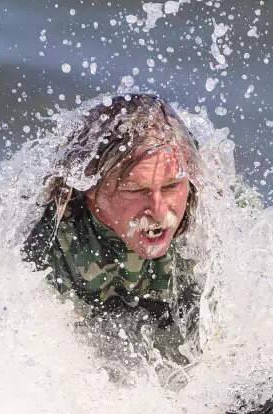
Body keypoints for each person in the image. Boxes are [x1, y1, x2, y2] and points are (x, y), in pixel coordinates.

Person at [22, 93, 205, 364]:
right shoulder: (41, 238)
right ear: (90, 187)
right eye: (136, 190)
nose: (158, 211)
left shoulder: (218, 220)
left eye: (171, 186)